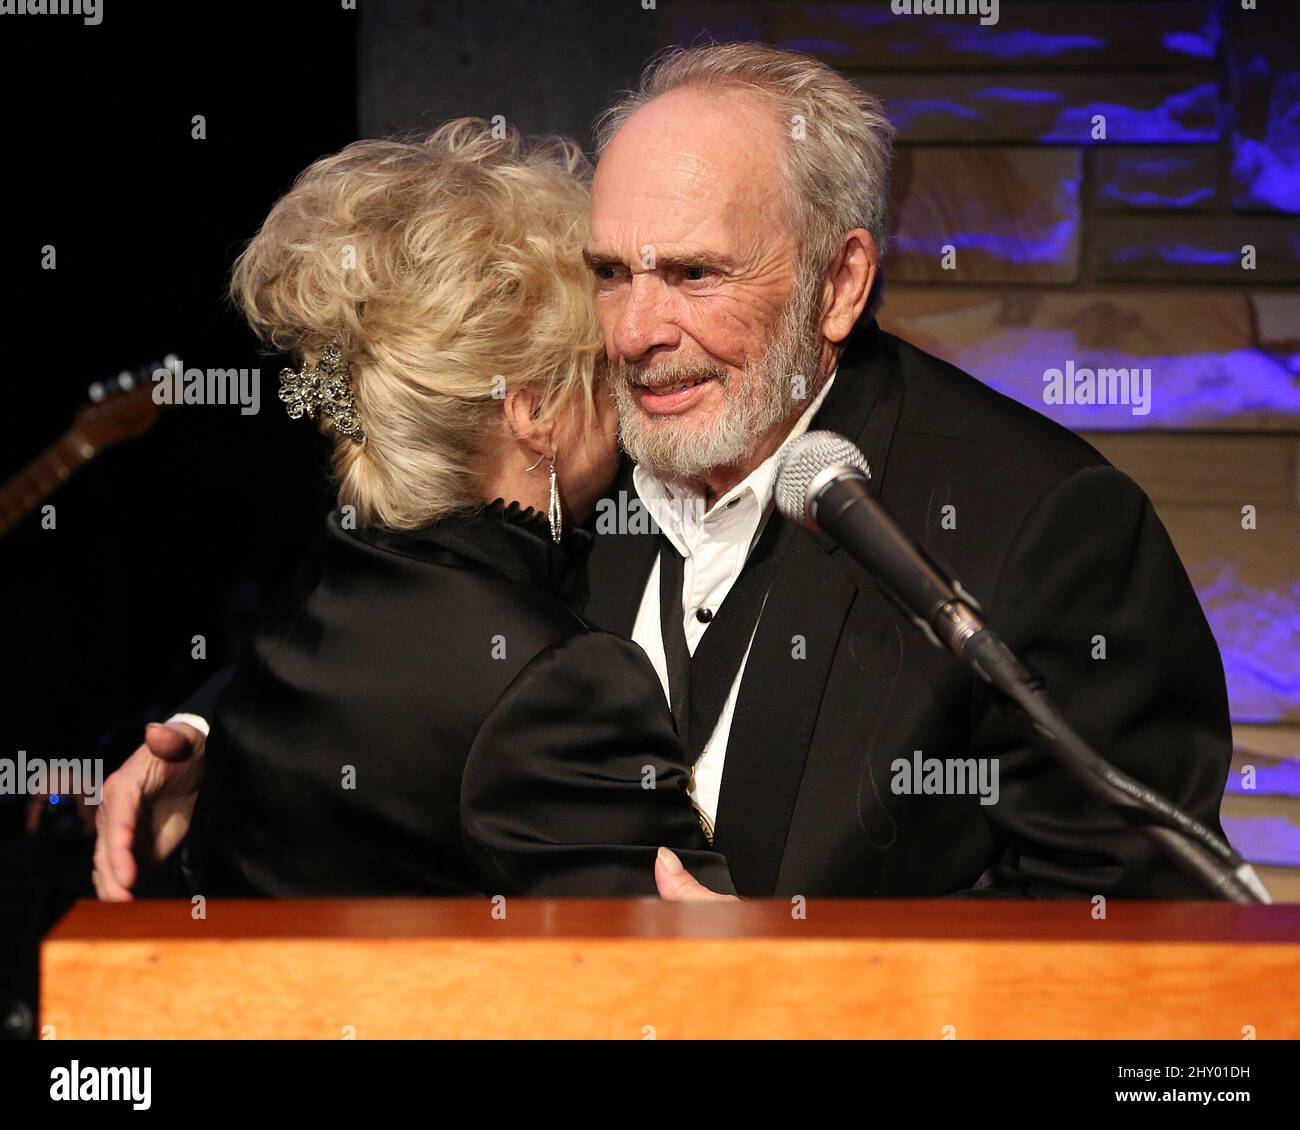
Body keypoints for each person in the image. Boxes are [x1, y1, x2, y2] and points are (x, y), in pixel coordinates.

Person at [99, 43, 1234, 904]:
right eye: (608, 272)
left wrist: (786, 1002)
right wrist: (223, 754)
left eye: (693, 273)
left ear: (838, 283)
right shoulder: (590, 458)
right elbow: (403, 624)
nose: (635, 332)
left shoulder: (1041, 525)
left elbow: (1124, 927)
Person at [94, 119, 733, 900]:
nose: (631, 367)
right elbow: (685, 981)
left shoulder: (333, 574)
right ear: (531, 410)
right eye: (599, 363)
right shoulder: (556, 684)